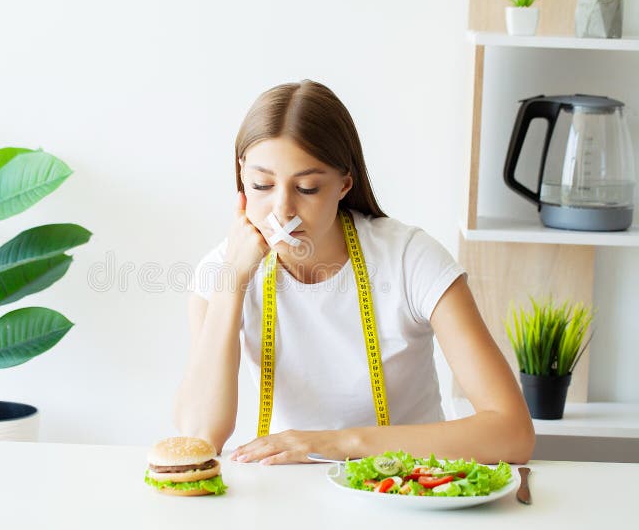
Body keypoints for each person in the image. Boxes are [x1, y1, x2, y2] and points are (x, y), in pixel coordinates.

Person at [173, 79, 535, 465]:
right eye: (262, 185)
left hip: (408, 494)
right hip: (288, 494)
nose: (282, 210)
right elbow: (200, 437)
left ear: (345, 184)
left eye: (308, 188)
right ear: (241, 174)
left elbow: (512, 433)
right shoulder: (220, 272)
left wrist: (338, 444)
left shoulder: (410, 259)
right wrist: (233, 281)